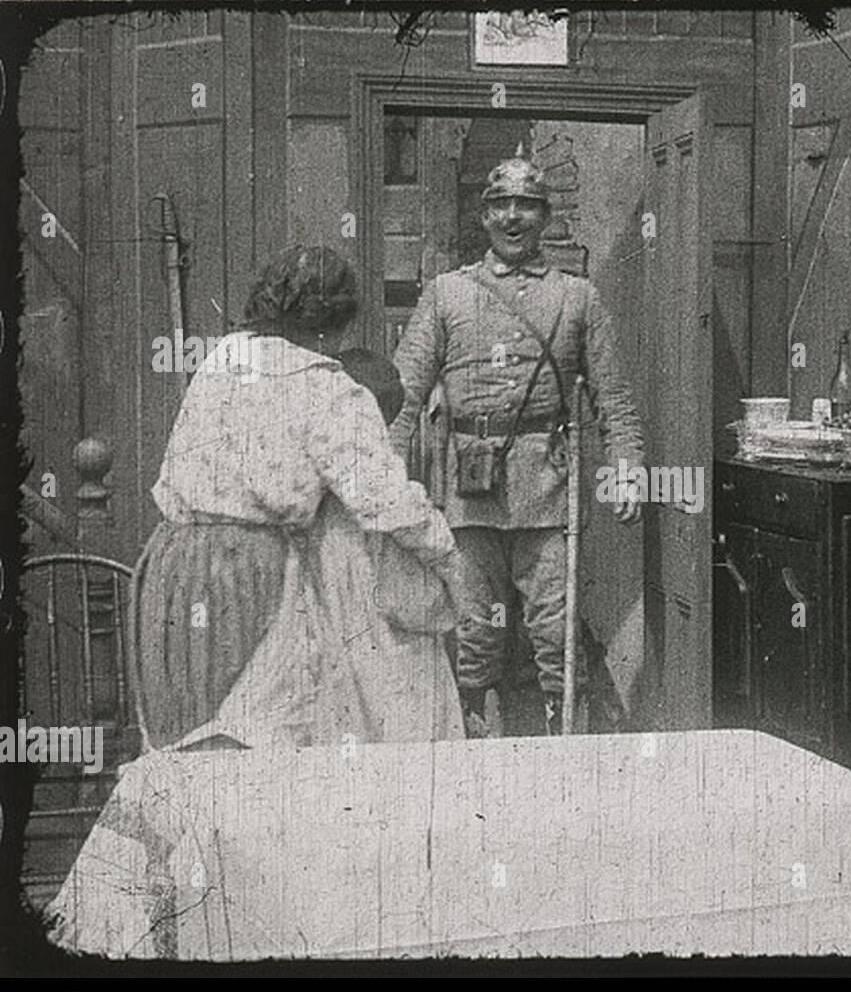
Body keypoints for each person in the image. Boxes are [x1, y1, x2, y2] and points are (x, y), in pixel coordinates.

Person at [136, 245, 461, 750]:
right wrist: (444, 552)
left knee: (185, 737)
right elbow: (382, 498)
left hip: (172, 564)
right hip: (248, 570)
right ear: (338, 318)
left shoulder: (223, 359)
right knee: (254, 737)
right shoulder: (326, 387)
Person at [390, 151, 645, 738]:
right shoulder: (446, 295)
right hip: (466, 492)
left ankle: (563, 750)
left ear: (545, 216)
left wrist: (627, 468)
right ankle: (469, 740)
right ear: (483, 217)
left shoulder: (577, 298)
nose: (513, 217)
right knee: (475, 630)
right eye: (500, 205)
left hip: (546, 492)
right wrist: (380, 478)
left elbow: (615, 400)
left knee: (556, 631)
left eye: (526, 205)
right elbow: (405, 396)